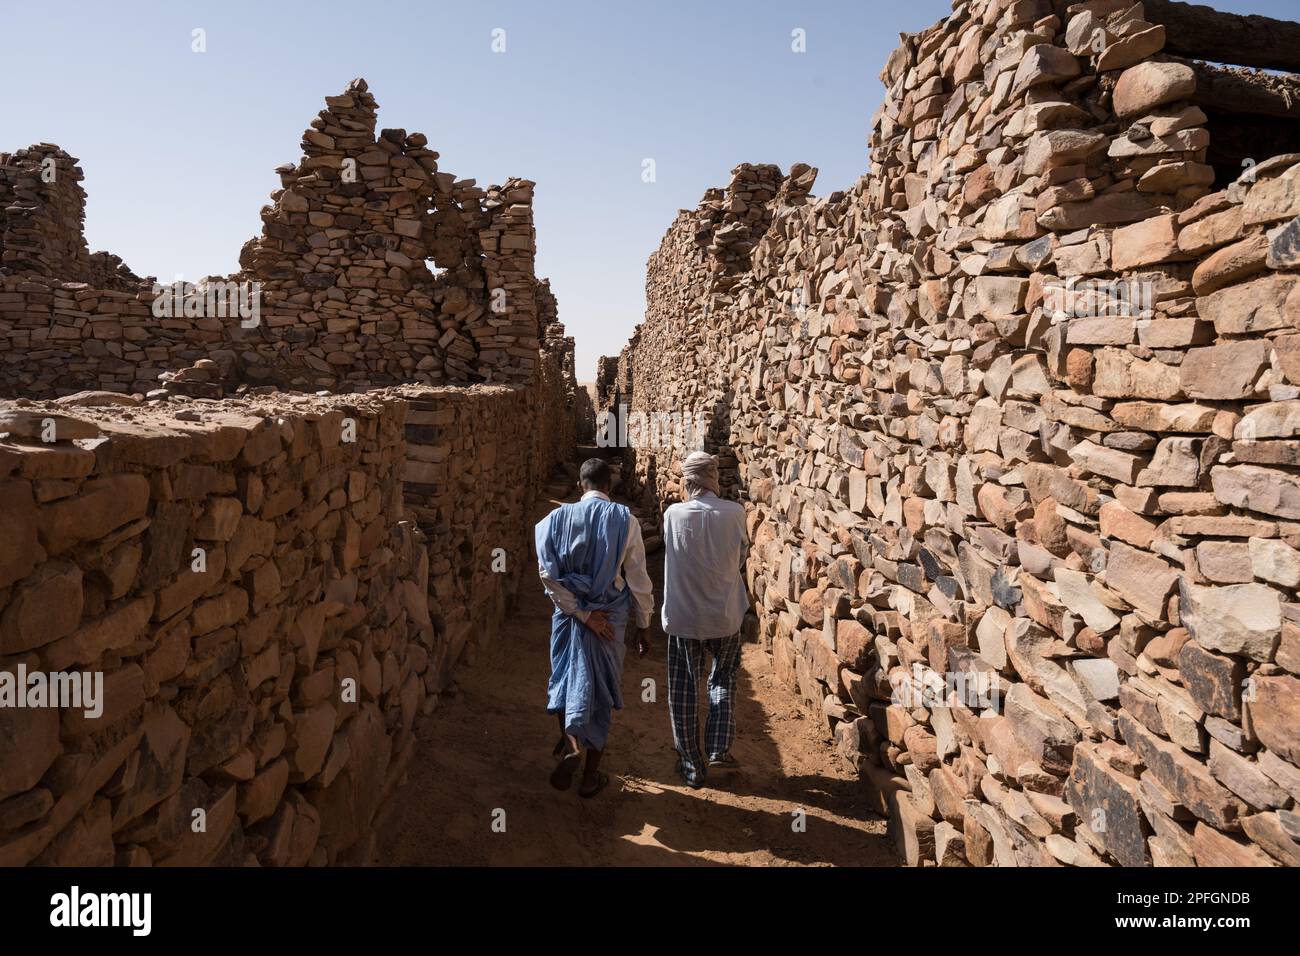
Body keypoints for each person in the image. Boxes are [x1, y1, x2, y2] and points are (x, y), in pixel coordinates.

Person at [535, 457, 653, 798]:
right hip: (609, 620)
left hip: (568, 616)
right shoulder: (625, 521)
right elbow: (638, 578)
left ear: (579, 486)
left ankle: (571, 745)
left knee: (567, 678)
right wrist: (643, 624)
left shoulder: (553, 520)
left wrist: (579, 613)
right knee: (601, 691)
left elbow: (548, 576)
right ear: (609, 487)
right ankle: (590, 777)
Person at [661, 451, 750, 789]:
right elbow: (741, 556)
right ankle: (718, 749)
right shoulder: (735, 513)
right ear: (713, 479)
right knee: (724, 678)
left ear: (687, 482)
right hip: (725, 615)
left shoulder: (673, 515)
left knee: (683, 688)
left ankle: (692, 765)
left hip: (684, 617)